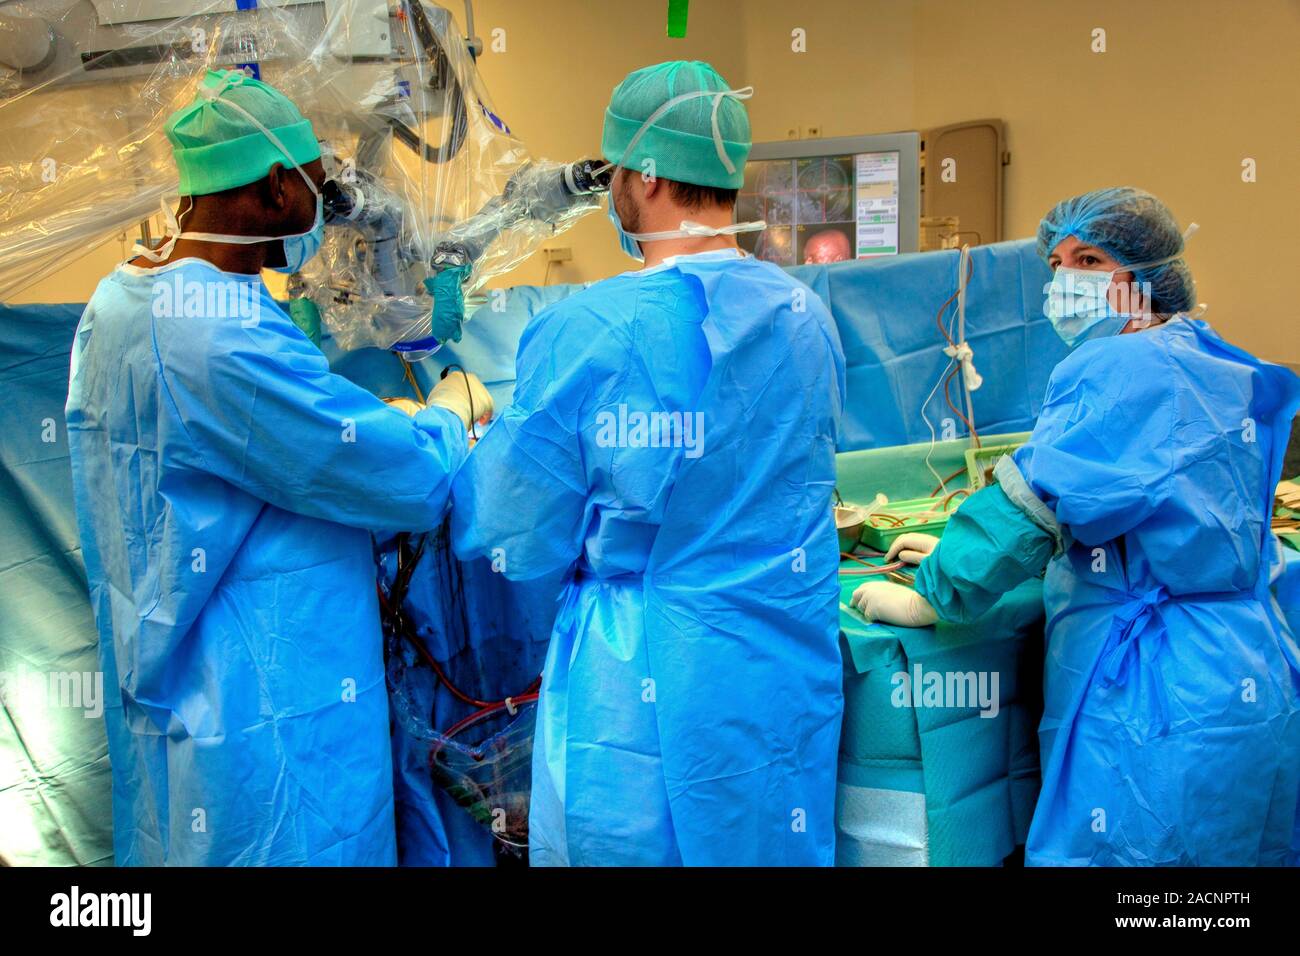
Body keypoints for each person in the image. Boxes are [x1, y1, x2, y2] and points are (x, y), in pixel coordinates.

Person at [64, 69, 491, 865]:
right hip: (265, 705)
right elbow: (408, 480)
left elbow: (257, 444)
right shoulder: (214, 332)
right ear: (270, 189)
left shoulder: (119, 301)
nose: (326, 207)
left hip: (179, 680)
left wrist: (351, 421)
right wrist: (448, 415)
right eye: (317, 187)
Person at [449, 61, 846, 865]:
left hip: (641, 684)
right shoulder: (808, 317)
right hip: (775, 659)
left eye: (615, 171)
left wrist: (451, 438)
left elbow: (508, 528)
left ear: (644, 175)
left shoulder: (592, 327)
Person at [853, 187, 1300, 866]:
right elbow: (1137, 502)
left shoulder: (1125, 368)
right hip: (1243, 668)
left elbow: (1033, 501)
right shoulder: (1209, 358)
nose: (1068, 281)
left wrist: (937, 592)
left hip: (1157, 692)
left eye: (1089, 259)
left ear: (1148, 276)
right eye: (1058, 263)